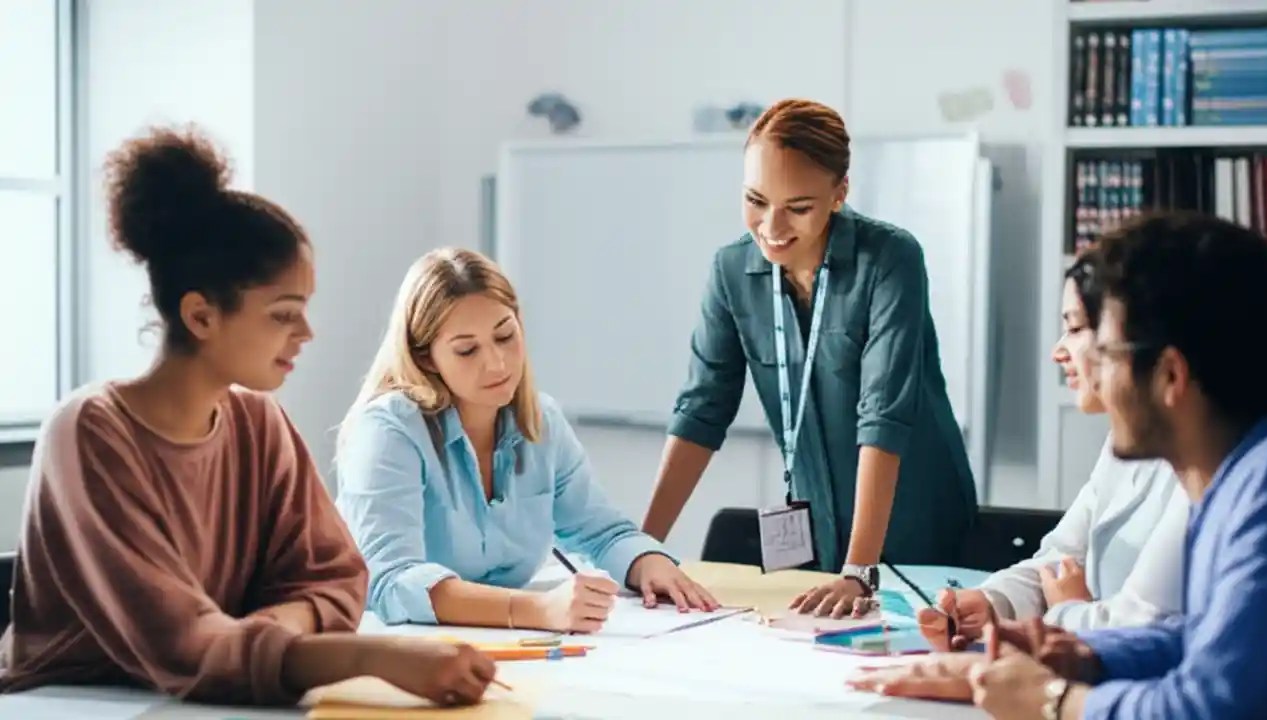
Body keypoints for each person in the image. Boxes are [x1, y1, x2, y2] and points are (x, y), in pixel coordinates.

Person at [0, 127, 495, 708]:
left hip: (210, 698)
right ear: (201, 316)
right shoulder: (88, 432)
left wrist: (261, 632)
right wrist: (369, 656)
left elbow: (338, 579)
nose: (306, 333)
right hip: (69, 704)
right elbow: (185, 644)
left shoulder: (260, 424)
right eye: (284, 314)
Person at [853, 212, 1267, 719]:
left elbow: (1212, 705)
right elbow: (1197, 638)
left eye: (1106, 350)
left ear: (1169, 375)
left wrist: (1054, 701)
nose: (1088, 367)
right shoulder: (1239, 473)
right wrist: (1082, 655)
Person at [640, 97, 977, 616]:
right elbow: (701, 411)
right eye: (756, 200)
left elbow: (882, 416)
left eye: (798, 207)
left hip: (913, 528)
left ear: (839, 193)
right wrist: (642, 550)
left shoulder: (890, 259)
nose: (771, 227)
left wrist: (860, 569)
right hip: (813, 534)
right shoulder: (731, 270)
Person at [335, 248, 718, 633]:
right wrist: (534, 610)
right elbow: (389, 581)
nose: (497, 364)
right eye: (467, 350)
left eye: (505, 335)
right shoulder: (389, 430)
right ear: (426, 358)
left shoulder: (541, 420)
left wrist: (648, 564)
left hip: (507, 648)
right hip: (404, 651)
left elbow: (602, 532)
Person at [917, 253, 1186, 648]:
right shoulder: (1124, 440)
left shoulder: (1207, 471)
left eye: (1076, 329)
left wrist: (1071, 612)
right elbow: (1060, 560)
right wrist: (995, 603)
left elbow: (1145, 628)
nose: (1058, 352)